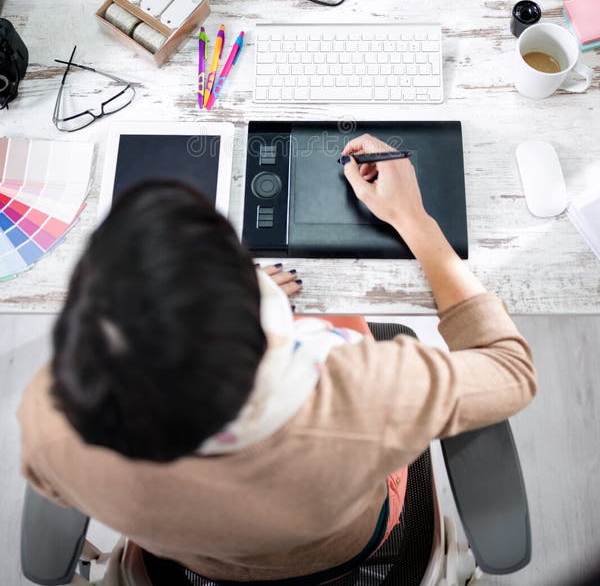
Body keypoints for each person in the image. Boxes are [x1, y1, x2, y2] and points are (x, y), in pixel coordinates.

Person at [18, 134, 537, 583]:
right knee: (348, 322)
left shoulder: (54, 419)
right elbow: (511, 371)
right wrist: (414, 220)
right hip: (350, 542)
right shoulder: (365, 395)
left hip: (193, 559)